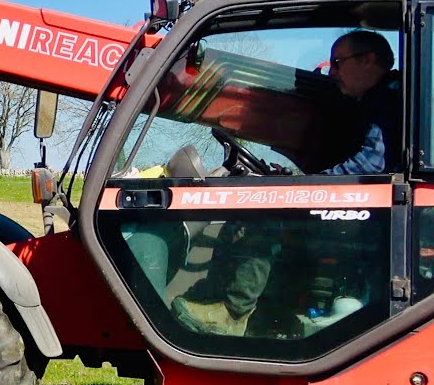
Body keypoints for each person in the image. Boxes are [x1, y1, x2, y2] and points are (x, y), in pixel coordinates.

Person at [170, 30, 401, 336]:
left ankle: (232, 311)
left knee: (263, 216)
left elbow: (370, 165)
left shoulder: (389, 100)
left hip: (369, 215)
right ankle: (228, 299)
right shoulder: (371, 102)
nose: (332, 73)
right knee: (256, 209)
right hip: (366, 209)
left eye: (337, 63)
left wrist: (309, 186)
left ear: (368, 60)